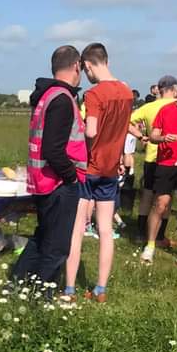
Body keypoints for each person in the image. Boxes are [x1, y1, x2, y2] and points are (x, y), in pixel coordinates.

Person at [11, 46, 86, 288]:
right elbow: (53, 148)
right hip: (59, 182)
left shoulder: (46, 95)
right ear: (77, 66)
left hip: (43, 180)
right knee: (57, 247)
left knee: (43, 237)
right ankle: (41, 295)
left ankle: (17, 282)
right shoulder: (63, 99)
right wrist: (72, 177)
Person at [63, 43, 133, 302]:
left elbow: (91, 131)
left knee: (77, 229)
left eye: (85, 69)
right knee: (105, 229)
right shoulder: (127, 92)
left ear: (89, 65)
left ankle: (69, 289)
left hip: (88, 168)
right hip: (111, 170)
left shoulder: (94, 95)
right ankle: (101, 289)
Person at [140, 76, 177, 265]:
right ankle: (150, 245)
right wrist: (163, 138)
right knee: (160, 204)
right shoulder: (166, 110)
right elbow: (153, 136)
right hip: (166, 164)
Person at [129, 75, 177, 244]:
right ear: (173, 89)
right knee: (166, 199)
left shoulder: (148, 107)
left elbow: (127, 121)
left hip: (151, 157)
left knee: (147, 196)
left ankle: (140, 233)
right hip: (170, 158)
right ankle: (159, 236)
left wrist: (140, 136)